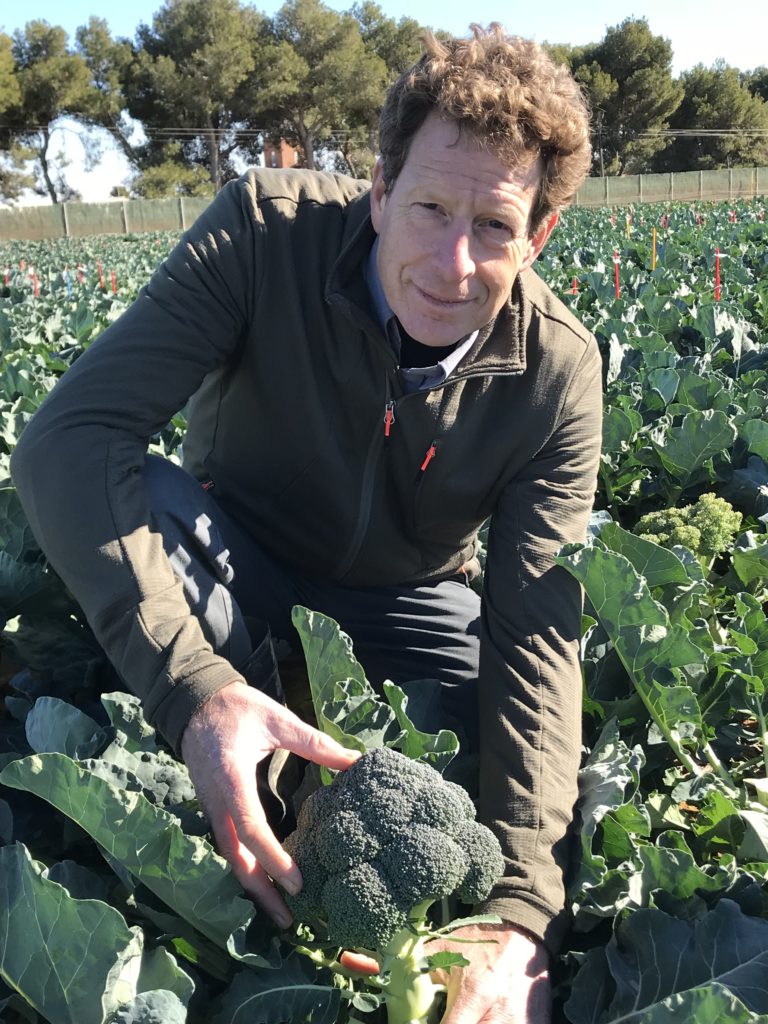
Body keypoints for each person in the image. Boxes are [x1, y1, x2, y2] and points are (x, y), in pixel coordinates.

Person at [11, 24, 602, 1024]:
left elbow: (536, 635)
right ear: (378, 189)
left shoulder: (558, 371)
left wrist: (520, 915)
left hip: (409, 601)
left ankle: (311, 793)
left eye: (495, 226)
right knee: (144, 503)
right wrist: (194, 691)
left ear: (538, 234)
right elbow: (67, 442)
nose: (454, 262)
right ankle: (243, 731)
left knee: (507, 778)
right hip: (231, 560)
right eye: (427, 207)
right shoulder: (264, 232)